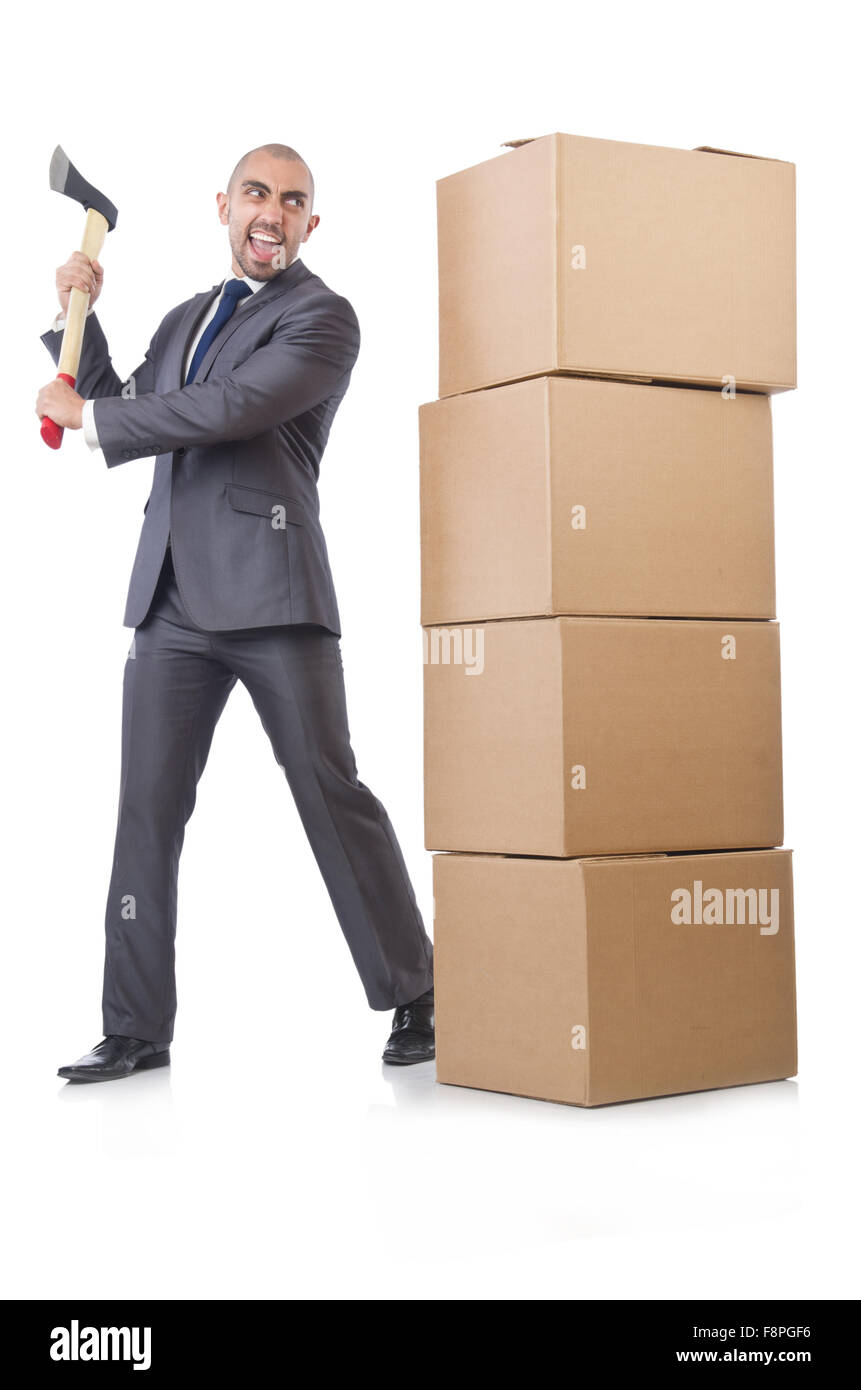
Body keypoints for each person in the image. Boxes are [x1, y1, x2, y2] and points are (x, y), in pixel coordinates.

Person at [36, 143, 435, 1082]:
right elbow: (124, 404)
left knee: (328, 792)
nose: (273, 213)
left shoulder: (323, 320)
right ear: (224, 206)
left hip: (271, 594)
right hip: (171, 599)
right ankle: (135, 1027)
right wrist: (73, 317)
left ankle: (417, 991)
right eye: (257, 194)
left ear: (309, 224)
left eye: (293, 202)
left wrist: (87, 419)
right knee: (145, 812)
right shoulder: (182, 319)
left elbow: (227, 408)